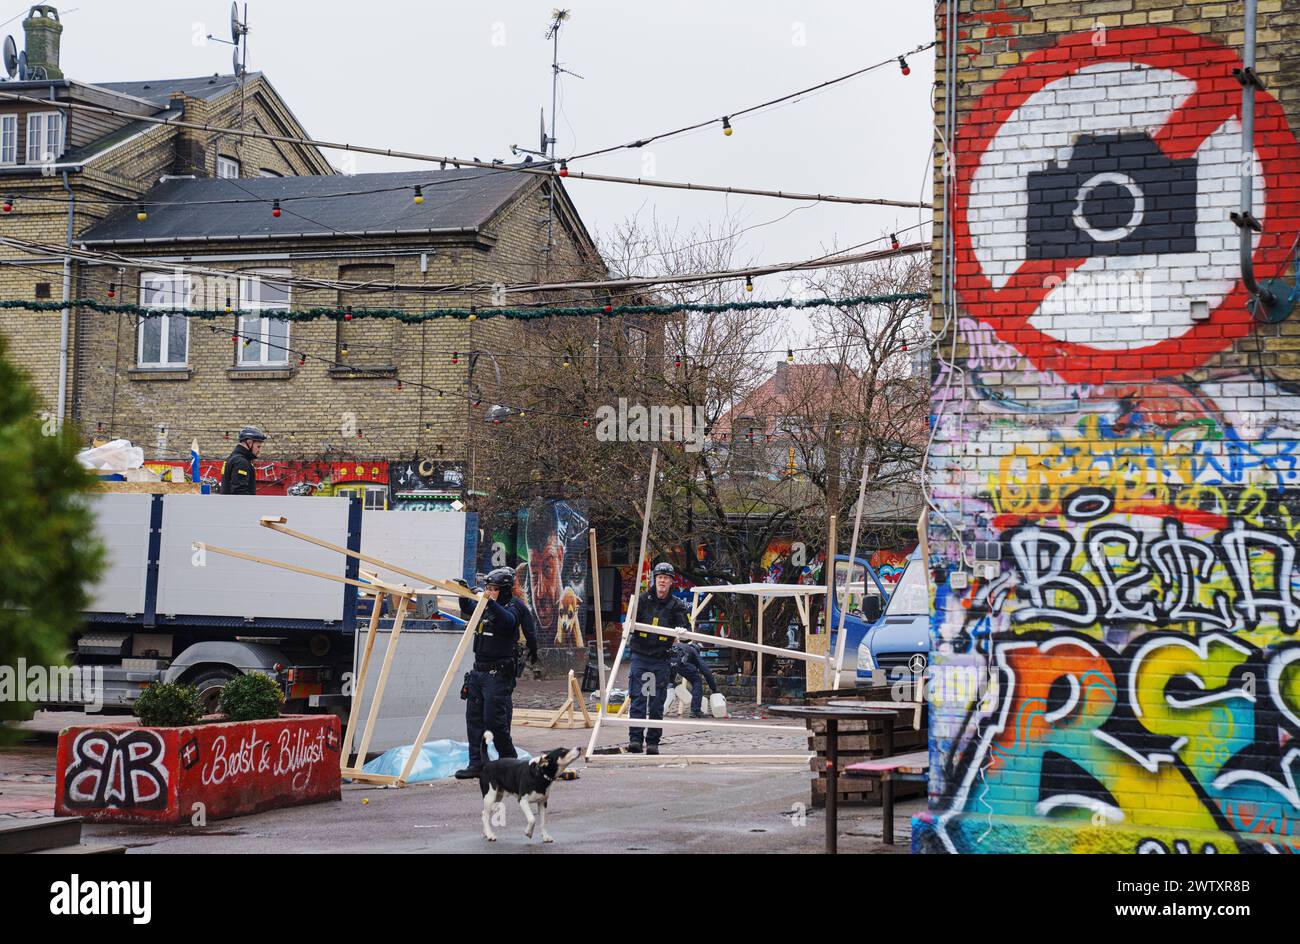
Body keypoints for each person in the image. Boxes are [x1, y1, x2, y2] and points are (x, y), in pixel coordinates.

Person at [454, 567, 540, 780]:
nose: (490, 592)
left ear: (505, 590)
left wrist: (489, 601)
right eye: (488, 588)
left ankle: (509, 761)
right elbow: (468, 608)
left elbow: (509, 621)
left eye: (494, 589)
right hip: (478, 671)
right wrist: (463, 594)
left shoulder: (514, 607)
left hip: (498, 673)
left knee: (495, 722)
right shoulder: (484, 604)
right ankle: (477, 764)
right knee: (474, 721)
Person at [627, 561, 690, 755]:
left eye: (666, 578)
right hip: (640, 656)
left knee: (655, 702)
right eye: (659, 578)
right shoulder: (642, 601)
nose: (662, 581)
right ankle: (635, 740)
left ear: (671, 582)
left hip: (660, 659)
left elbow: (687, 635)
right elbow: (630, 622)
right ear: (655, 580)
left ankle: (653, 741)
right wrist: (628, 625)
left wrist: (682, 633)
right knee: (638, 699)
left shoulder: (676, 605)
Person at [670, 640, 718, 719]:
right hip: (681, 662)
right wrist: (714, 689)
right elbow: (707, 672)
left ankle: (656, 708)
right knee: (696, 681)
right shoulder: (693, 651)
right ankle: (695, 711)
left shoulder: (677, 645)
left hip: (667, 661)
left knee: (667, 683)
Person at [219, 426, 267, 495]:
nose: (259, 450)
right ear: (249, 443)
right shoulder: (241, 462)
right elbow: (240, 492)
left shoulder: (233, 458)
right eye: (258, 447)